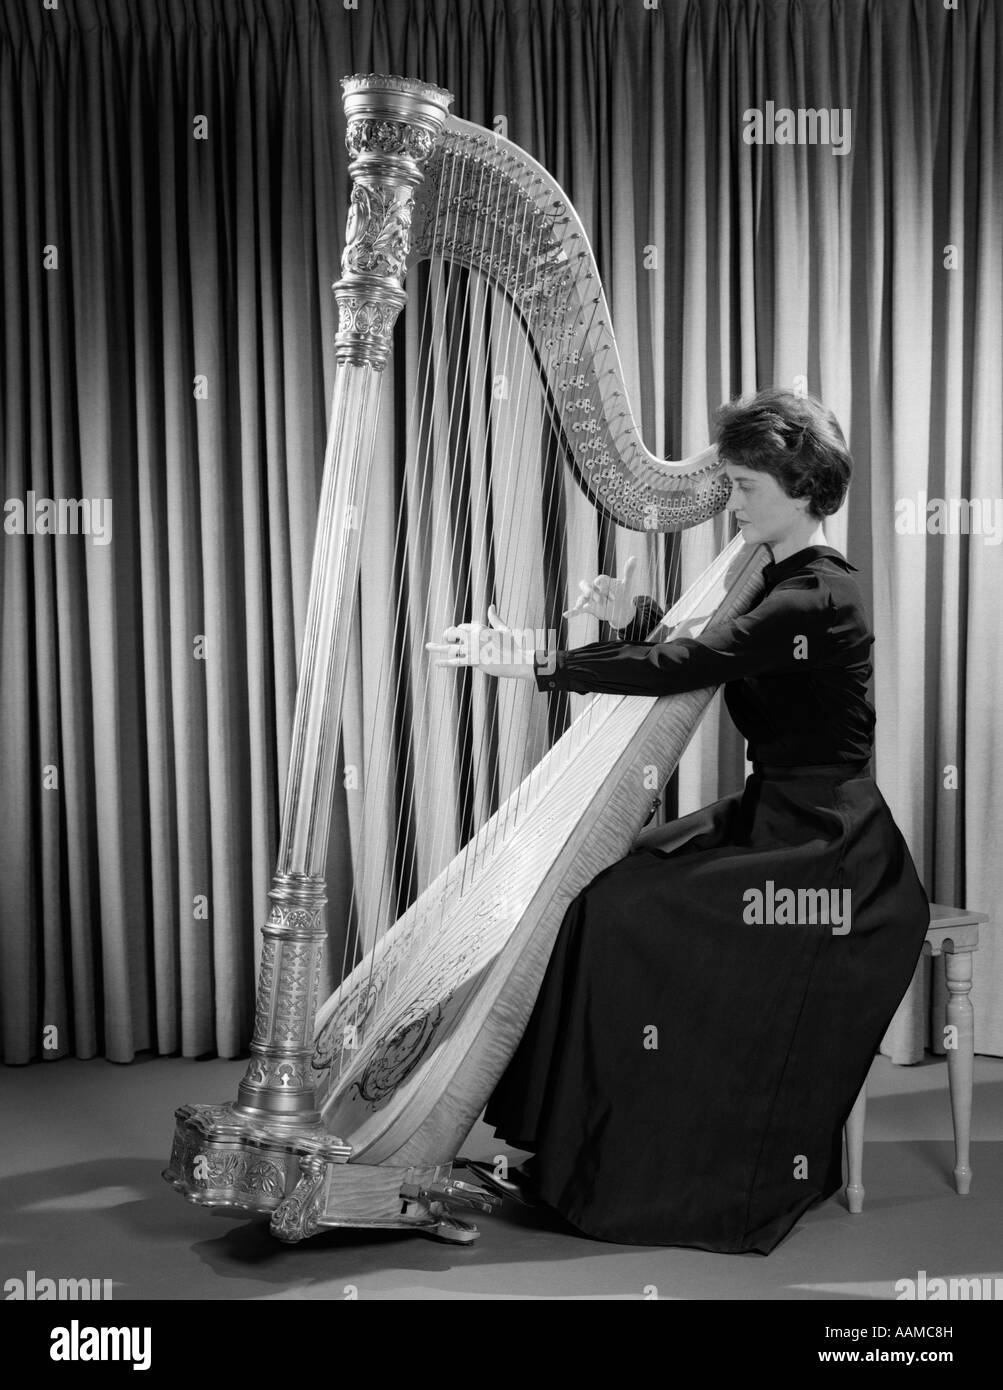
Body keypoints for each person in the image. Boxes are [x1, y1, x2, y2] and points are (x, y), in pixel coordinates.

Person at [426, 388, 930, 1254]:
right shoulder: (772, 579)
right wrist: (629, 619)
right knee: (598, 894)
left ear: (802, 487)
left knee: (626, 917)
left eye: (742, 488)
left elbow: (696, 662)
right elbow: (699, 652)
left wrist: (536, 660)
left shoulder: (818, 596)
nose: (730, 505)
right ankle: (575, 1150)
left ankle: (627, 1166)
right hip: (771, 816)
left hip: (829, 850)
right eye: (730, 485)